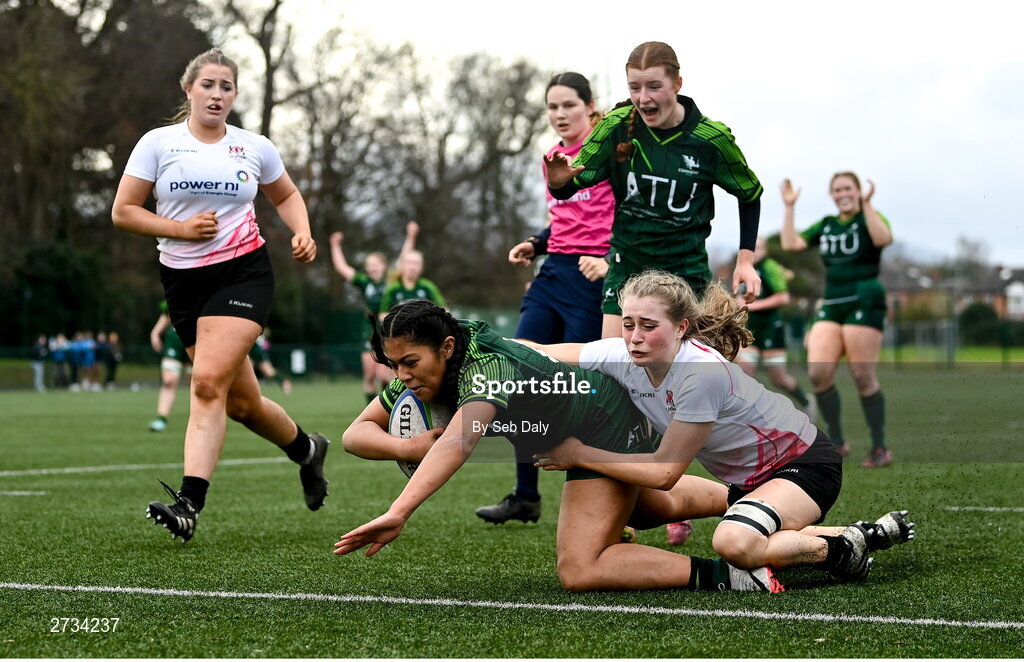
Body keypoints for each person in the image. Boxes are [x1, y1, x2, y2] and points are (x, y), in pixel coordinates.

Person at [334, 299, 787, 594]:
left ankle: (732, 577)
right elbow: (356, 434)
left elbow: (458, 441)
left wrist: (399, 511)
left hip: (602, 420)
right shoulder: (419, 372)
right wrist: (409, 447)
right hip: (573, 427)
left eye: (410, 363)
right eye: (393, 366)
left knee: (582, 569)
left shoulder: (486, 365)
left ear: (447, 347)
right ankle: (747, 498)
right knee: (643, 510)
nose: (402, 377)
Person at [530, 270, 914, 578]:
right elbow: (544, 353)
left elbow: (665, 472)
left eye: (648, 325)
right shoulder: (622, 352)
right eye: (628, 324)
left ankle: (844, 551)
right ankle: (864, 533)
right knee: (640, 509)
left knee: (734, 543)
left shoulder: (700, 373)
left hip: (804, 468)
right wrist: (480, 341)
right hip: (748, 481)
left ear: (681, 328)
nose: (634, 337)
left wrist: (578, 453)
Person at [111, 48, 330, 543]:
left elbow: (287, 195)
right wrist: (179, 229)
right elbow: (123, 211)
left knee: (207, 383)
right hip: (183, 282)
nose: (216, 94)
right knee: (242, 404)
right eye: (208, 84)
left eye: (226, 86)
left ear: (234, 95)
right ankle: (307, 451)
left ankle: (189, 502)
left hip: (243, 274)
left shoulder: (253, 147)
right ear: (188, 89)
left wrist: (302, 230)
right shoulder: (158, 144)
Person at [544, 41, 763, 342]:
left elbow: (749, 195)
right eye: (635, 87)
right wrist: (558, 181)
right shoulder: (615, 127)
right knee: (613, 370)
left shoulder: (710, 139)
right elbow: (569, 187)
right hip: (627, 267)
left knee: (685, 379)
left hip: (685, 272)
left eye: (654, 86)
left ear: (677, 84)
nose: (643, 98)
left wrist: (746, 262)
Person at [475, 72, 614, 527]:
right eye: (552, 107)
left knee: (580, 391)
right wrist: (536, 243)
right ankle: (525, 495)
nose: (559, 115)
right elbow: (565, 218)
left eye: (568, 105)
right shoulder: (552, 157)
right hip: (552, 273)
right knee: (515, 374)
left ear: (591, 107)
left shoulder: (614, 154)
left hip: (593, 280)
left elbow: (628, 217)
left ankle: (606, 501)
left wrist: (610, 258)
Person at [779, 173, 894, 468]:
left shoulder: (870, 217)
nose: (843, 193)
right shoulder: (828, 224)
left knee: (862, 375)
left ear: (858, 191)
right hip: (832, 301)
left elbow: (883, 239)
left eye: (849, 188)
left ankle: (880, 448)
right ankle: (838, 442)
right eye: (838, 189)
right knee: (818, 373)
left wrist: (867, 204)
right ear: (832, 194)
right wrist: (789, 206)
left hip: (865, 297)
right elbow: (791, 244)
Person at [329, 221, 419, 403]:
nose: (372, 268)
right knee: (370, 375)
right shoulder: (364, 282)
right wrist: (335, 245)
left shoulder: (391, 279)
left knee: (386, 376)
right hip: (370, 331)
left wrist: (411, 236)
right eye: (369, 265)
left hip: (391, 331)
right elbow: (342, 268)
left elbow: (403, 257)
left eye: (376, 264)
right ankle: (370, 414)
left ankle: (391, 407)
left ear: (384, 266)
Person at [734, 237, 815, 418]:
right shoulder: (743, 268)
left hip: (772, 327)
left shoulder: (770, 267)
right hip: (750, 326)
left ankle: (806, 401)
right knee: (744, 372)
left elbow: (784, 297)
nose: (754, 251)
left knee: (778, 378)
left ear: (765, 250)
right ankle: (748, 416)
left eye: (759, 247)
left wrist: (754, 306)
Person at [149, 302, 189, 432]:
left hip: (197, 336)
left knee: (197, 384)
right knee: (168, 381)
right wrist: (155, 333)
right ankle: (161, 419)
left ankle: (198, 420)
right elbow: (166, 313)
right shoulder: (177, 284)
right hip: (175, 340)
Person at [377, 246, 445, 315]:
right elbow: (383, 314)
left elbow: (444, 310)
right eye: (409, 263)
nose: (412, 267)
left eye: (416, 263)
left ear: (422, 267)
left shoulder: (428, 287)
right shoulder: (393, 289)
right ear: (402, 265)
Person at [249, 330, 293, 395]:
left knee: (269, 372)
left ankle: (284, 382)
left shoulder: (257, 336)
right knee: (249, 371)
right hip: (250, 353)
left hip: (258, 353)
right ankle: (249, 390)